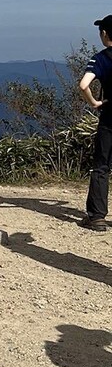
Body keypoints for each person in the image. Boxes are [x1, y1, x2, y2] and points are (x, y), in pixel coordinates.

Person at [78, 16, 112, 231]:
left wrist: (94, 103)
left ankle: (97, 217)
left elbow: (83, 85)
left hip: (109, 118)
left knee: (102, 166)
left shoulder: (100, 58)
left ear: (105, 34)